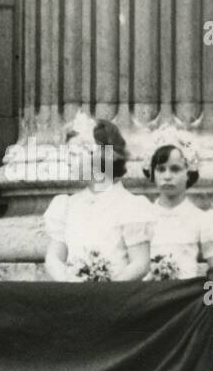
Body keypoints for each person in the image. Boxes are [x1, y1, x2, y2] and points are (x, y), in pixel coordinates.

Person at [42, 114, 153, 282]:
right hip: (73, 293)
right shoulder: (66, 205)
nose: (69, 161)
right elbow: (54, 257)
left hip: (115, 293)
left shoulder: (131, 205)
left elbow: (140, 263)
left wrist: (105, 290)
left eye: (76, 154)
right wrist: (69, 283)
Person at [144, 132, 213, 279]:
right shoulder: (141, 217)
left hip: (186, 293)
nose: (167, 176)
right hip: (148, 292)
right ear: (153, 173)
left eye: (175, 169)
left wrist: (209, 294)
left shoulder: (202, 220)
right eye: (161, 169)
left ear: (188, 173)